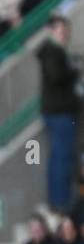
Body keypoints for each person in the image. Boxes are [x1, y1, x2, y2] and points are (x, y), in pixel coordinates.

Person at [38, 15, 79, 213]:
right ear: (52, 31)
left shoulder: (55, 51)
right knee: (62, 158)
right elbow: (57, 76)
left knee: (59, 157)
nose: (64, 34)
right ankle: (60, 202)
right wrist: (74, 71)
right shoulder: (52, 51)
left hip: (58, 110)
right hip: (59, 111)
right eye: (60, 30)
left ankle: (58, 200)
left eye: (65, 30)